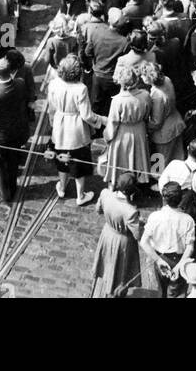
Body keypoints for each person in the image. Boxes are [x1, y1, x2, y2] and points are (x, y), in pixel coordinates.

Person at [47, 53, 104, 204]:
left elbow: (51, 107)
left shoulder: (53, 84)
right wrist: (101, 120)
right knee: (80, 163)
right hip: (76, 129)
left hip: (60, 125)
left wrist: (52, 124)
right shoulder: (81, 88)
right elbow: (87, 115)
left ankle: (62, 188)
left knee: (61, 158)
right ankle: (80, 195)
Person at [0, 55, 31, 201]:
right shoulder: (20, 83)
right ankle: (13, 188)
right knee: (12, 163)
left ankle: (4, 194)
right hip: (16, 132)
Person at [140, 181, 196, 297]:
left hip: (160, 257)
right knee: (176, 293)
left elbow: (144, 242)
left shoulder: (154, 217)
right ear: (181, 198)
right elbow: (190, 247)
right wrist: (179, 266)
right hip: (179, 260)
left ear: (164, 198)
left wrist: (158, 260)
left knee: (162, 290)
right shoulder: (188, 220)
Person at [92, 172, 143, 297]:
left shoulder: (105, 193)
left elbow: (98, 210)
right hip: (122, 241)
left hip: (107, 233)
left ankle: (106, 287)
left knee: (107, 262)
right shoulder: (130, 211)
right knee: (121, 270)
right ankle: (116, 292)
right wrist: (141, 223)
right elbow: (138, 234)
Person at [101, 72, 152, 187]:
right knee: (139, 157)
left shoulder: (117, 100)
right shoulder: (145, 95)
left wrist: (107, 136)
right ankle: (140, 182)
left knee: (122, 160)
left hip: (122, 133)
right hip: (140, 130)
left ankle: (120, 182)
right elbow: (147, 113)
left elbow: (113, 122)